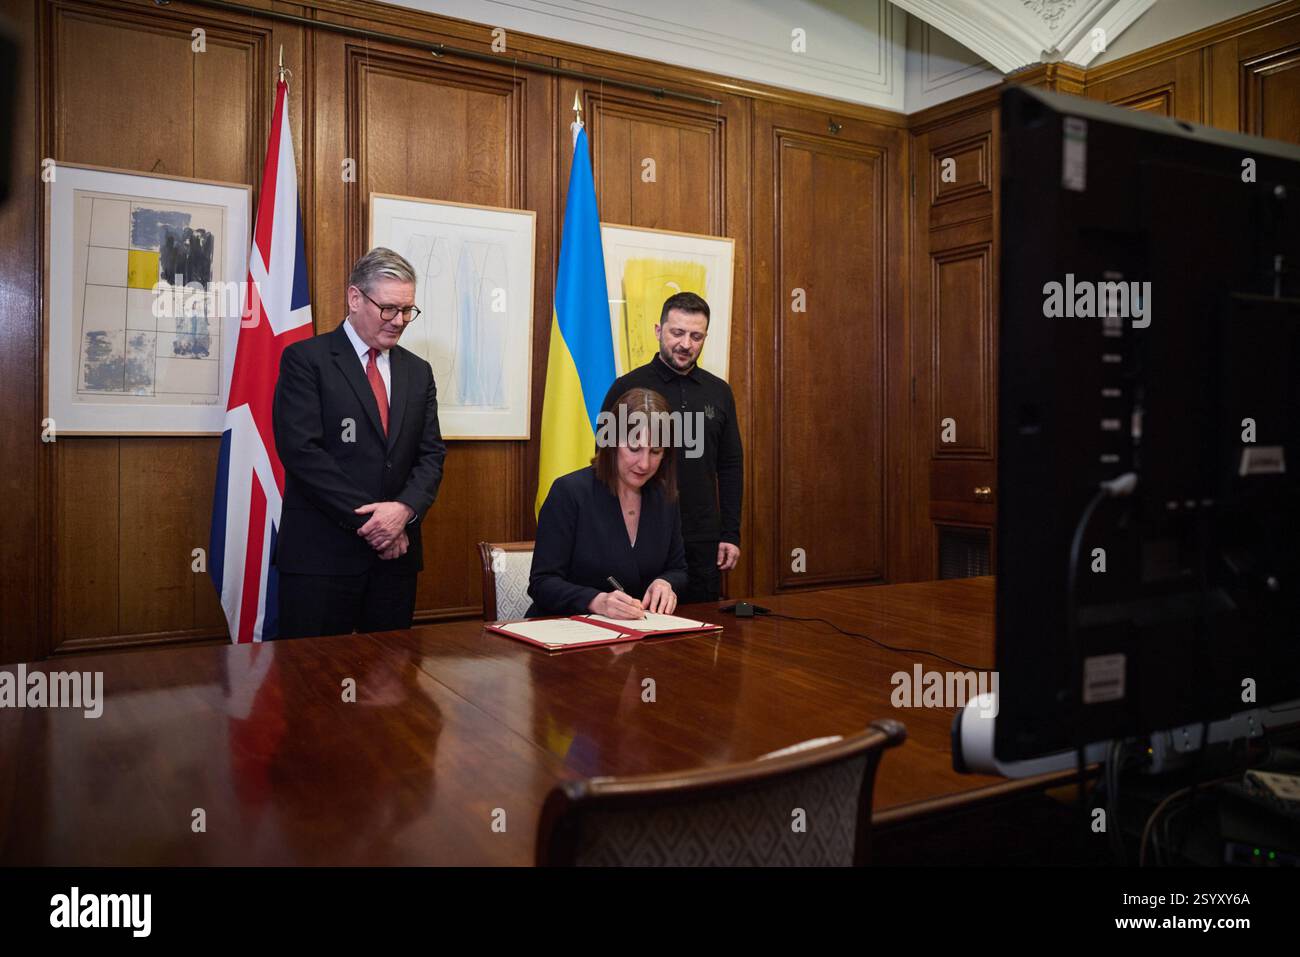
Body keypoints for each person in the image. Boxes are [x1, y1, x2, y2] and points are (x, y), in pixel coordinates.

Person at [271, 247, 447, 638]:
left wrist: (403, 510)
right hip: (321, 559)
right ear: (354, 298)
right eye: (388, 308)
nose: (399, 321)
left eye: (407, 310)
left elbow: (431, 455)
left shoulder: (418, 372)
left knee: (390, 687)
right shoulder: (306, 360)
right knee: (312, 685)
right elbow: (302, 452)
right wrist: (376, 523)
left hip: (395, 560)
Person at [601, 292, 742, 603]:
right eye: (677, 333)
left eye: (696, 336)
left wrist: (730, 533)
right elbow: (605, 460)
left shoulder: (719, 392)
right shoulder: (626, 388)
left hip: (701, 539)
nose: (686, 344)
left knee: (700, 638)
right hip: (640, 535)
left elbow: (730, 465)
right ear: (658, 330)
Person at [528, 388, 687, 619]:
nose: (644, 464)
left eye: (655, 451)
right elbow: (541, 583)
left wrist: (666, 582)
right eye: (634, 448)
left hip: (635, 636)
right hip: (567, 634)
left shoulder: (664, 497)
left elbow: (678, 569)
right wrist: (596, 601)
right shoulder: (569, 492)